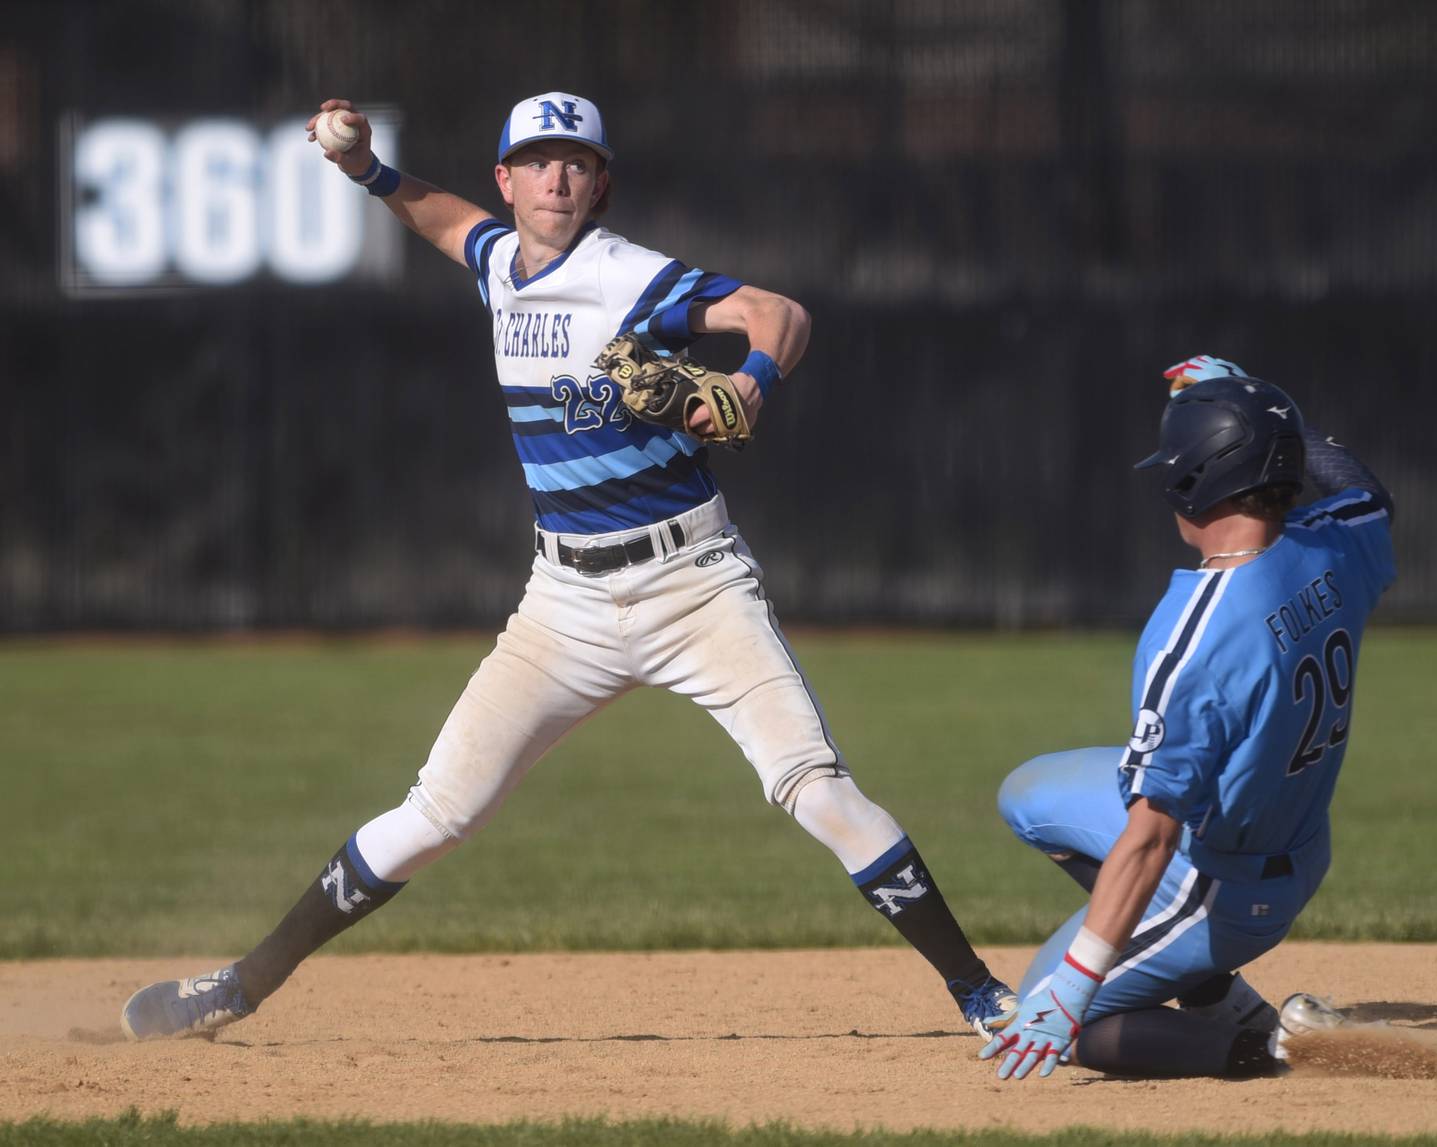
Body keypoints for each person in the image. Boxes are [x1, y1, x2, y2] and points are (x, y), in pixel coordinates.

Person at [119, 92, 1015, 1041]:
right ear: (505, 180)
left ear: (600, 184)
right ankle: (237, 988)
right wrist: (368, 173)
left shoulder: (634, 278)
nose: (557, 177)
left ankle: (981, 995)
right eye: (537, 160)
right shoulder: (499, 261)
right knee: (435, 813)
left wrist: (752, 377)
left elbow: (776, 311)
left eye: (576, 162)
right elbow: (445, 219)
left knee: (816, 789)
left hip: (694, 586)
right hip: (565, 601)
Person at [979, 356, 1396, 1080]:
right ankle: (1203, 985)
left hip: (1227, 884)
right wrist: (1272, 415)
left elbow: (1151, 837)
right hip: (1292, 832)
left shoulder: (1196, 635)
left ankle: (1268, 1046)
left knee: (1071, 1024)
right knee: (1027, 793)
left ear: (1192, 481)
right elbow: (1366, 492)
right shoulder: (1335, 543)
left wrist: (1074, 991)